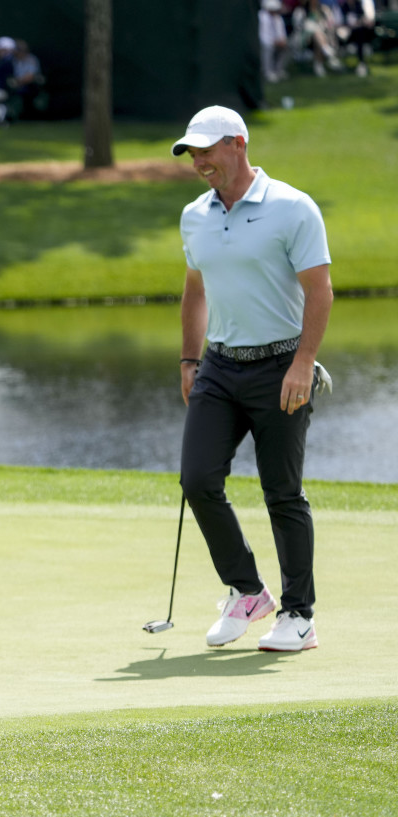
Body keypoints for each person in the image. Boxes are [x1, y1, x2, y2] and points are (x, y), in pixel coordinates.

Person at [172, 106, 333, 652]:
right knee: (197, 479)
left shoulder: (292, 208)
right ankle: (246, 590)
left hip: (281, 365)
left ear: (238, 144)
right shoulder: (194, 215)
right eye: (192, 153)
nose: (199, 161)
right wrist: (189, 361)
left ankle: (299, 616)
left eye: (207, 150)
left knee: (282, 493)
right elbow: (195, 291)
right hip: (219, 365)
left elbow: (320, 291)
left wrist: (303, 362)